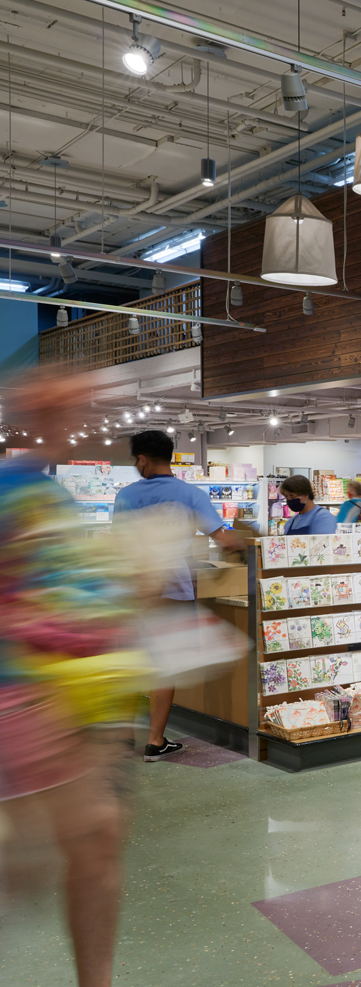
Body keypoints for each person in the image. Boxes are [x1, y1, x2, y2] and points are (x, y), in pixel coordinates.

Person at [0, 368, 135, 987]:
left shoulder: (47, 496)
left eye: (77, 407)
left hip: (63, 697)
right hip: (25, 698)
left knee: (100, 837)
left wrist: (117, 593)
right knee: (61, 844)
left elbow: (73, 589)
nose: (70, 418)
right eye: (56, 406)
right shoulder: (14, 490)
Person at [115, 429, 246, 761]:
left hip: (133, 591)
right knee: (164, 667)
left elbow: (118, 545)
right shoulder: (191, 493)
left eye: (135, 460)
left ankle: (123, 736)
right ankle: (155, 741)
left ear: (143, 459)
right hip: (175, 591)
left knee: (132, 664)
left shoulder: (126, 496)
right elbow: (225, 540)